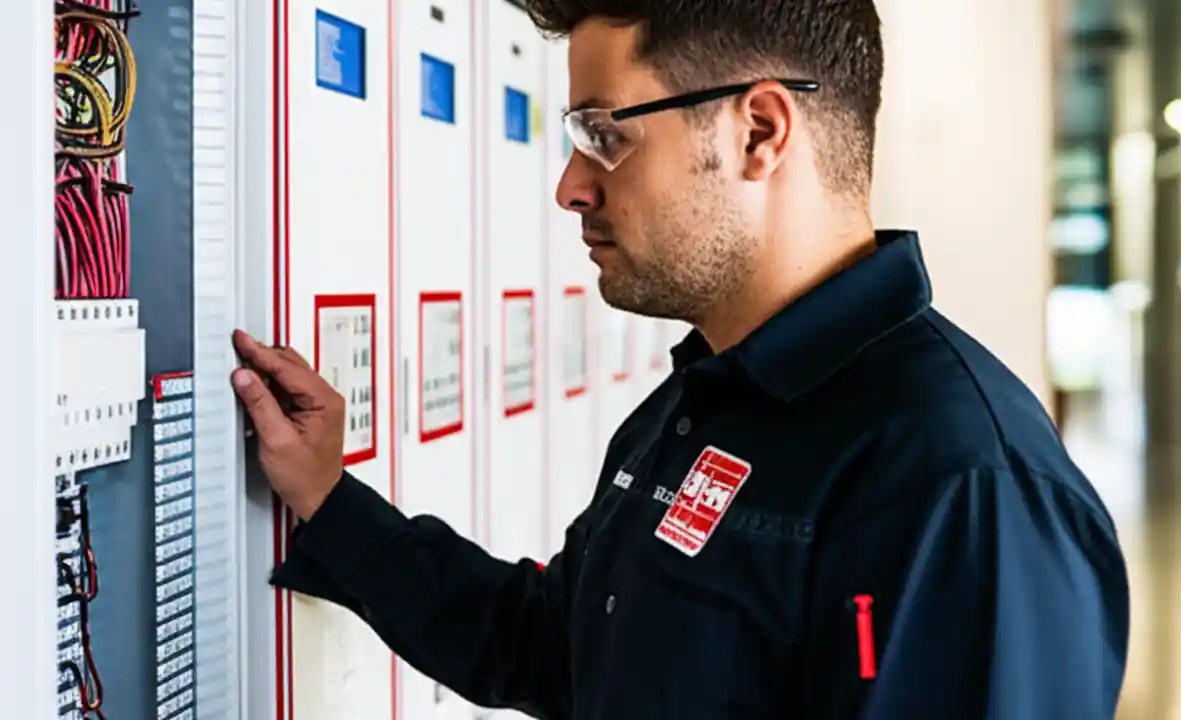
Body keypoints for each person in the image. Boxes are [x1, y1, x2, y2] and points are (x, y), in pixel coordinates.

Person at [231, 1, 1130, 717]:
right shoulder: (697, 404)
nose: (571, 186)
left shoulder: (963, 482)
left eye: (606, 135)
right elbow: (555, 651)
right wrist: (327, 497)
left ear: (759, 132)